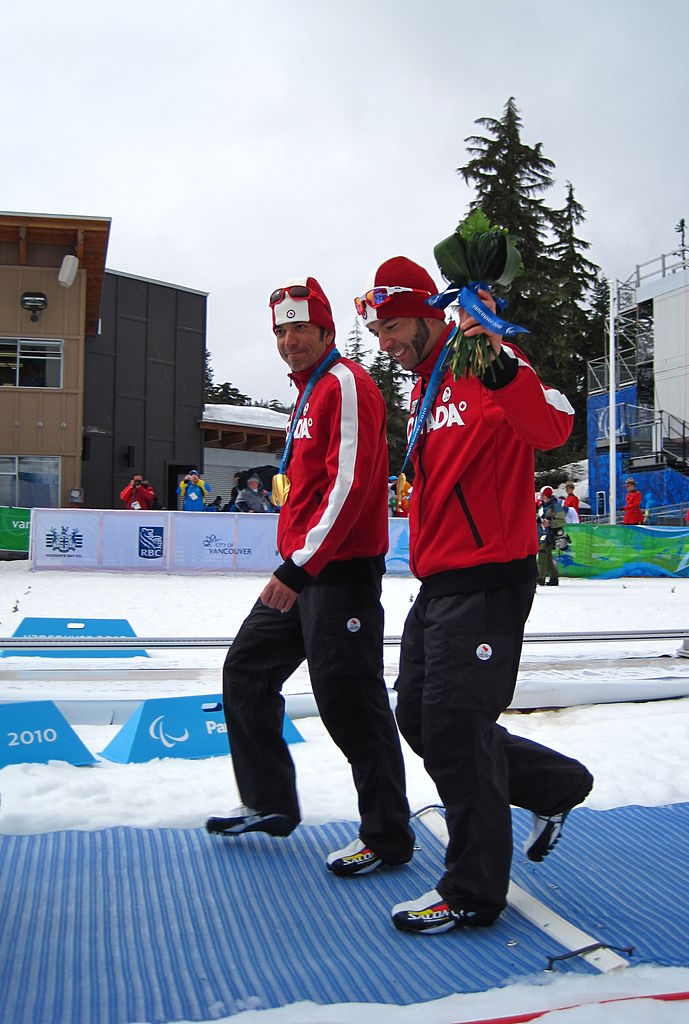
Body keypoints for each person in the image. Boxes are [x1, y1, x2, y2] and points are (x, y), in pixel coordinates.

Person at [355, 257, 593, 935]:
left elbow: (554, 425)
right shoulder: (426, 384)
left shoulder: (484, 361)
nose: (385, 342)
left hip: (489, 575)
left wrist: (503, 367)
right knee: (419, 719)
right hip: (441, 578)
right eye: (377, 331)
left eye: (393, 326)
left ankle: (472, 890)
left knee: (457, 728)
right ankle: (553, 784)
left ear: (428, 314)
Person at [206, 276, 414, 881]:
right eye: (281, 331)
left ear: (325, 332)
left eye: (300, 328)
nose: (289, 340)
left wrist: (298, 567)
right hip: (305, 571)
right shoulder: (309, 393)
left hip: (337, 573)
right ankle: (269, 801)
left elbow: (351, 486)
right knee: (246, 671)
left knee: (351, 703)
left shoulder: (344, 383)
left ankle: (387, 835)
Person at [537, 486, 566, 586]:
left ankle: (540, 578)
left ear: (545, 495)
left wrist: (549, 523)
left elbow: (562, 521)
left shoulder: (556, 506)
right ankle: (553, 578)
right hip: (542, 532)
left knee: (542, 552)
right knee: (547, 555)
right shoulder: (542, 506)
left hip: (550, 533)